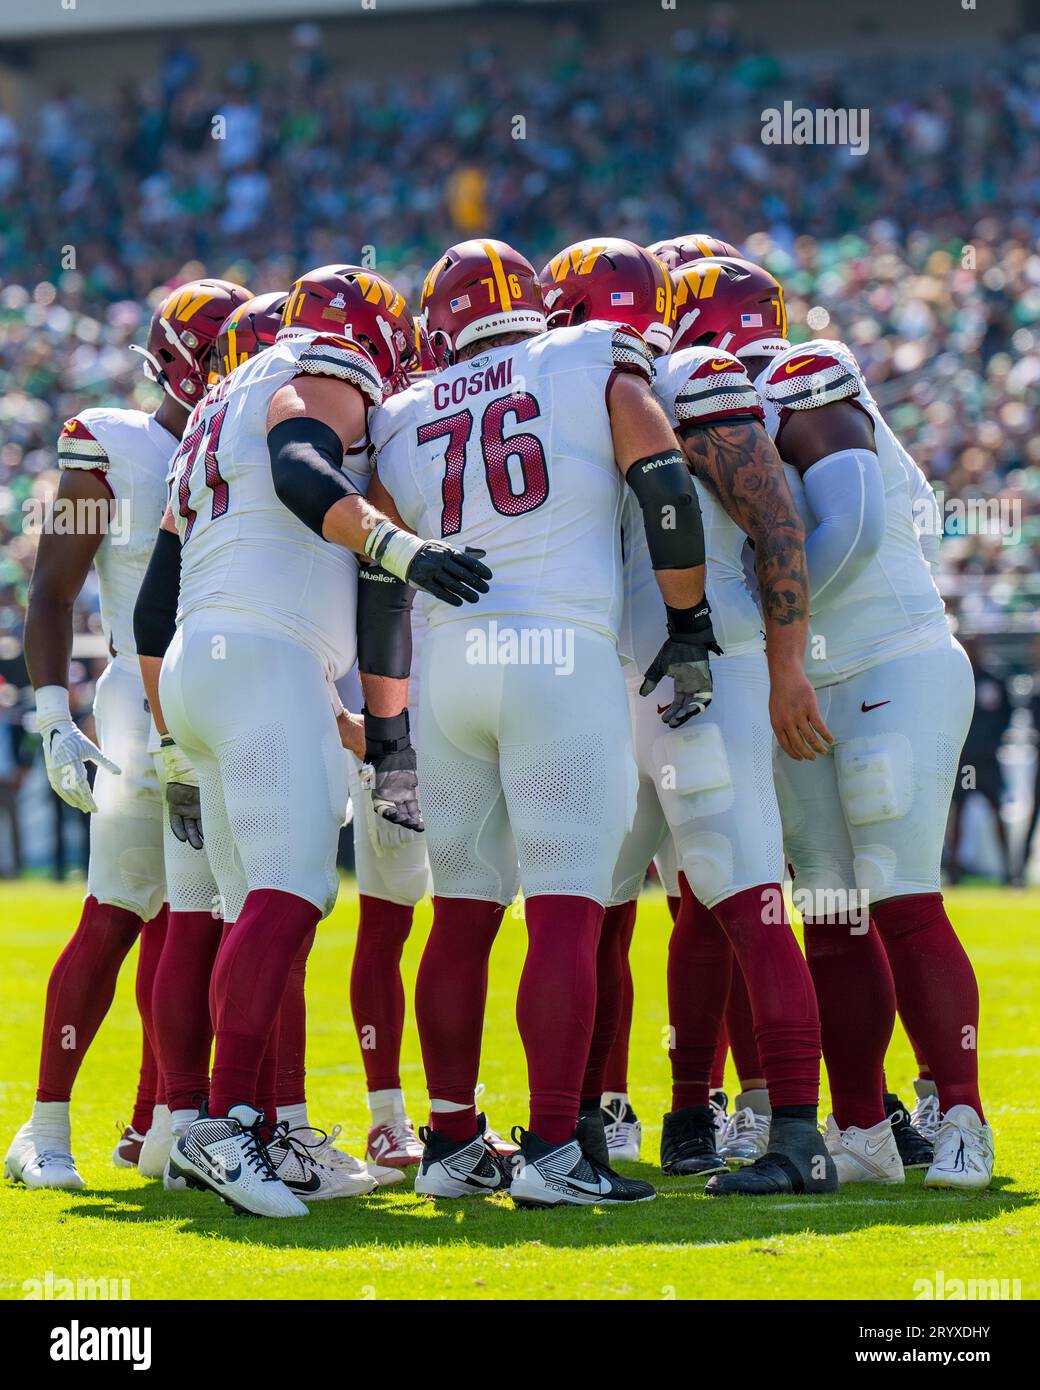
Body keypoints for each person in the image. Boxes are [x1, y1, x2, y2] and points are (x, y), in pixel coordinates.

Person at [370, 237, 716, 1208]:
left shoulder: (400, 413)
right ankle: (556, 1150)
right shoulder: (588, 353)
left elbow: (375, 570)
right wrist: (687, 622)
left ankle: (447, 1145)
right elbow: (660, 480)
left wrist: (383, 724)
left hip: (447, 667)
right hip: (557, 652)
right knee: (565, 908)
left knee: (462, 912)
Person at [152, 264, 490, 1217]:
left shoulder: (221, 399)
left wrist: (383, 733)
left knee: (242, 902)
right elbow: (304, 466)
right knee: (293, 893)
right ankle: (226, 1124)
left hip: (198, 661)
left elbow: (156, 587)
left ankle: (236, 1122)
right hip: (264, 657)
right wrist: (400, 545)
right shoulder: (316, 371)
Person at [684, 253, 991, 1190]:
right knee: (831, 905)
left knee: (900, 897)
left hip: (887, 663)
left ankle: (964, 1119)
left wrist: (771, 615)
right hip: (807, 680)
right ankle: (859, 1123)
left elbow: (850, 526)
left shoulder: (798, 375)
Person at [5, 278, 251, 1191]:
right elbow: (51, 591)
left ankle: (160, 1126)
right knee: (117, 914)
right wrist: (49, 717)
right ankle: (45, 1126)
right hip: (137, 706)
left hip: (224, 704)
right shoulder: (110, 441)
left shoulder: (248, 437)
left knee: (202, 924)